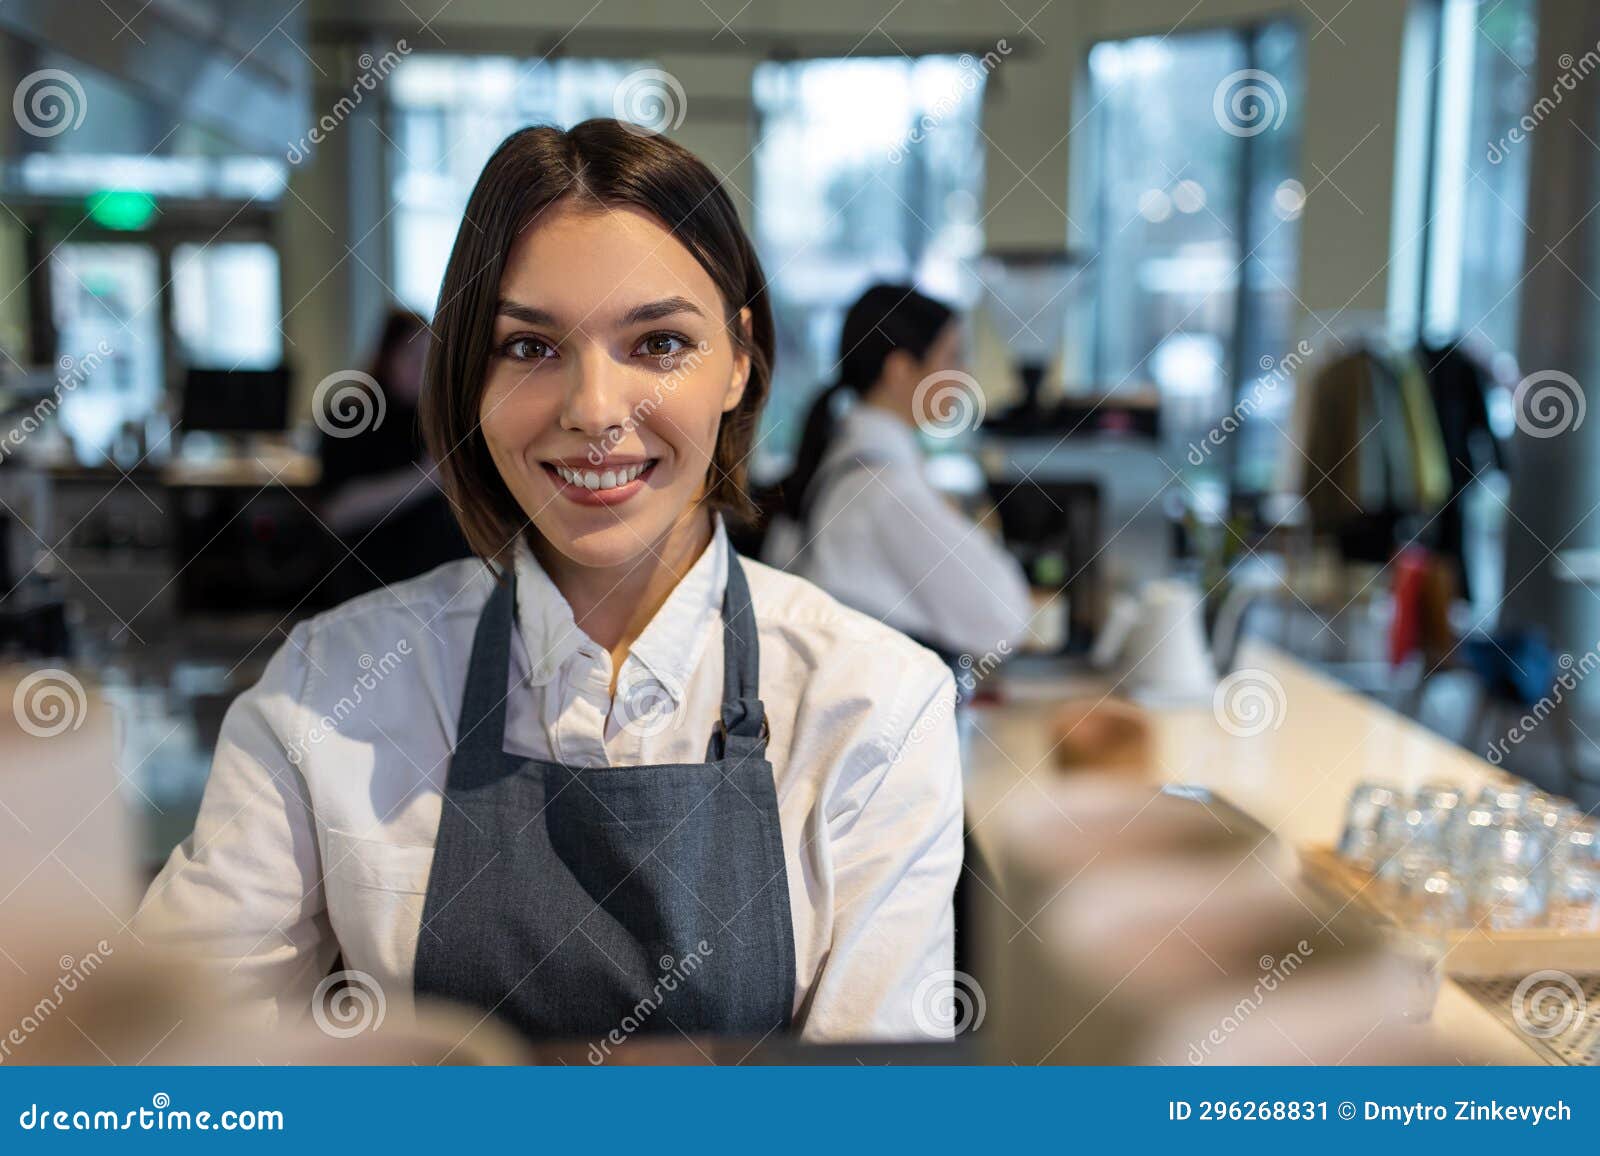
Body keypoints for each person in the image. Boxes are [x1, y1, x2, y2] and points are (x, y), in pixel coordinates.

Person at [135, 121, 962, 1047]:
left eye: (657, 343)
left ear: (739, 358)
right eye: (529, 348)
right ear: (469, 377)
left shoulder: (876, 706)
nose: (594, 411)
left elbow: (874, 1112)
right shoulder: (336, 685)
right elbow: (165, 1059)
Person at [763, 285, 1033, 662]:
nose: (964, 373)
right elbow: (1004, 619)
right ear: (901, 370)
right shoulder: (884, 489)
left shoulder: (850, 461)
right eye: (952, 356)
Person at [316, 308, 471, 601]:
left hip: (442, 584)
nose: (422, 370)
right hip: (377, 580)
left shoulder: (436, 418)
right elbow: (337, 511)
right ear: (387, 357)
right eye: (412, 359)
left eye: (429, 360)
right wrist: (428, 477)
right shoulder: (350, 416)